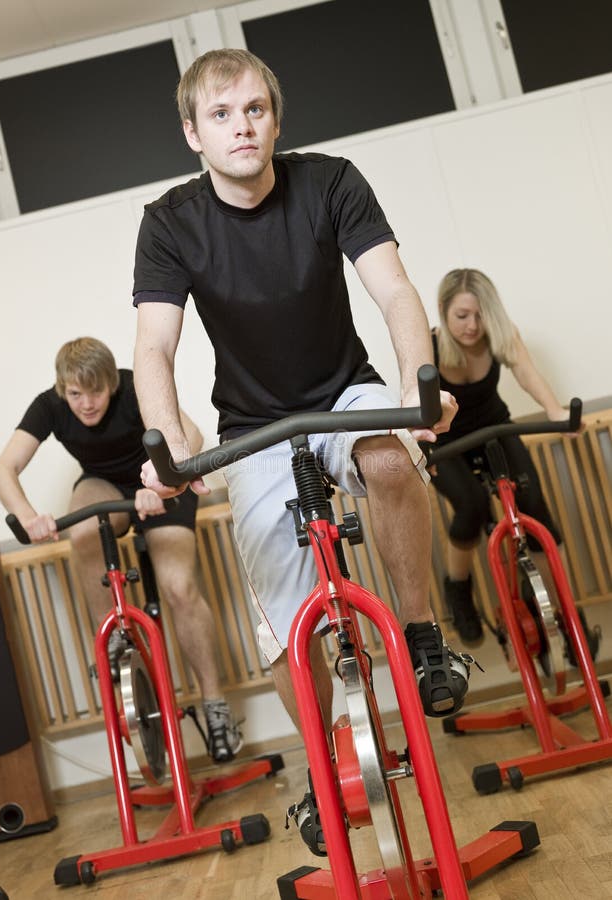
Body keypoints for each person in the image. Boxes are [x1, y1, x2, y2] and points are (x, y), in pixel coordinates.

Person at [131, 48, 471, 852]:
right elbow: (154, 348)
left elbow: (394, 290)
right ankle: (322, 767)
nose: (241, 127)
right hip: (251, 428)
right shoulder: (170, 221)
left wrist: (416, 385)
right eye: (221, 115)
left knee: (388, 460)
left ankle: (422, 639)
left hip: (342, 392)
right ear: (194, 134)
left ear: (276, 120)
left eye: (254, 109)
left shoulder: (331, 181)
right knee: (289, 625)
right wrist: (168, 442)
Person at [0, 337, 242, 764]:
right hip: (105, 486)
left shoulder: (133, 387)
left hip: (160, 483)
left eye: (96, 392)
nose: (86, 404)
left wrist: (159, 483)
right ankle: (113, 641)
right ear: (63, 389)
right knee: (83, 530)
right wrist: (30, 517)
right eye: (76, 394)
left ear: (112, 383)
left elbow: (192, 434)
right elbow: (4, 471)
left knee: (179, 588)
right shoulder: (50, 405)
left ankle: (216, 706)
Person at [429, 268, 573, 646]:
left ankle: (562, 617)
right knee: (472, 504)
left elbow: (526, 373)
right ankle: (459, 590)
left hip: (493, 427)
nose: (472, 326)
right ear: (443, 309)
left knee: (534, 506)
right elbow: (414, 398)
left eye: (480, 315)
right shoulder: (428, 346)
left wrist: (556, 412)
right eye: (462, 316)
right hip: (445, 440)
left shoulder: (499, 333)